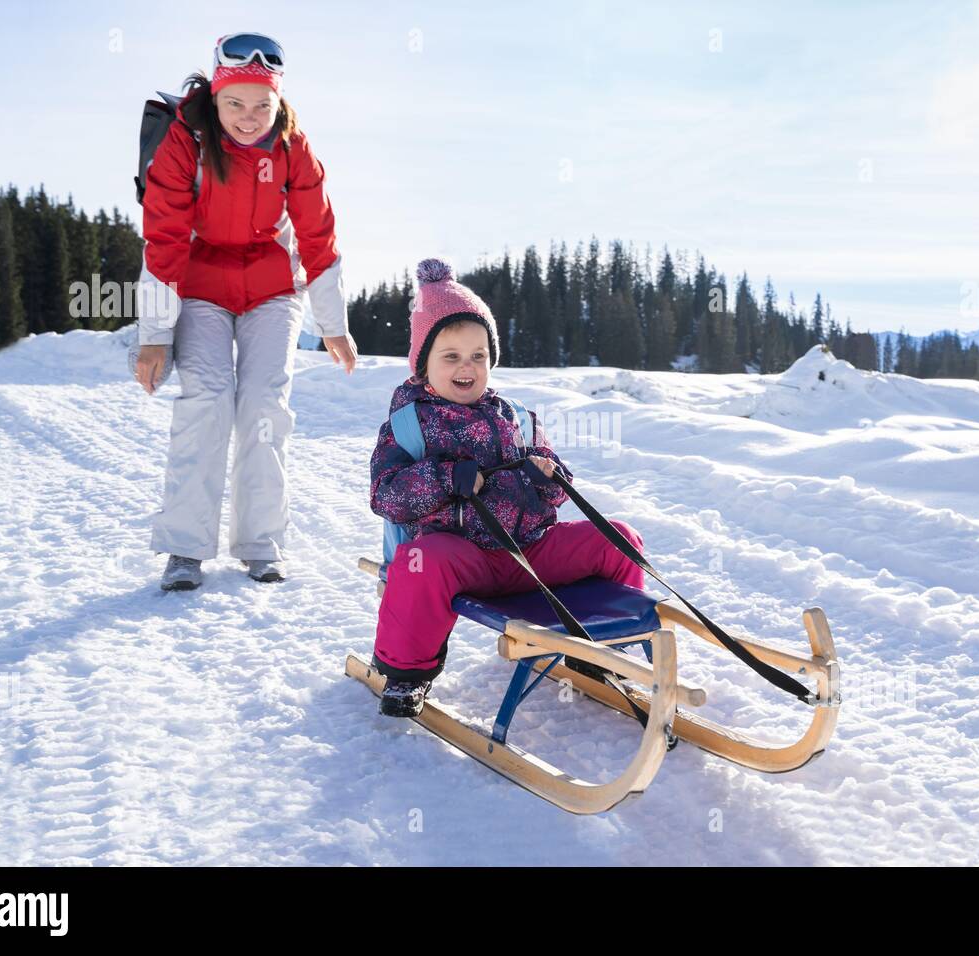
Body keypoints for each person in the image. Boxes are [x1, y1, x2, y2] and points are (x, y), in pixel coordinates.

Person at [367, 258, 646, 717]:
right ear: (422, 364)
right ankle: (405, 673)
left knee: (617, 538)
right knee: (421, 561)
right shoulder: (409, 423)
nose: (466, 367)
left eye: (478, 356)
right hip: (464, 559)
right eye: (451, 356)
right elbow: (386, 494)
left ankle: (600, 645)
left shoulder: (515, 416)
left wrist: (548, 477)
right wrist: (442, 479)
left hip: (531, 553)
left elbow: (559, 486)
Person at [134, 33, 358, 591]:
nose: (249, 117)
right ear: (216, 95)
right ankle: (185, 550)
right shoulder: (186, 142)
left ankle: (261, 543)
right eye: (235, 103)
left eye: (263, 104)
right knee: (207, 401)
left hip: (272, 290)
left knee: (264, 405)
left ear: (278, 101)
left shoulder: (292, 147)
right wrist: (155, 335)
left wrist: (334, 325)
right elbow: (163, 239)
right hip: (201, 285)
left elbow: (318, 235)